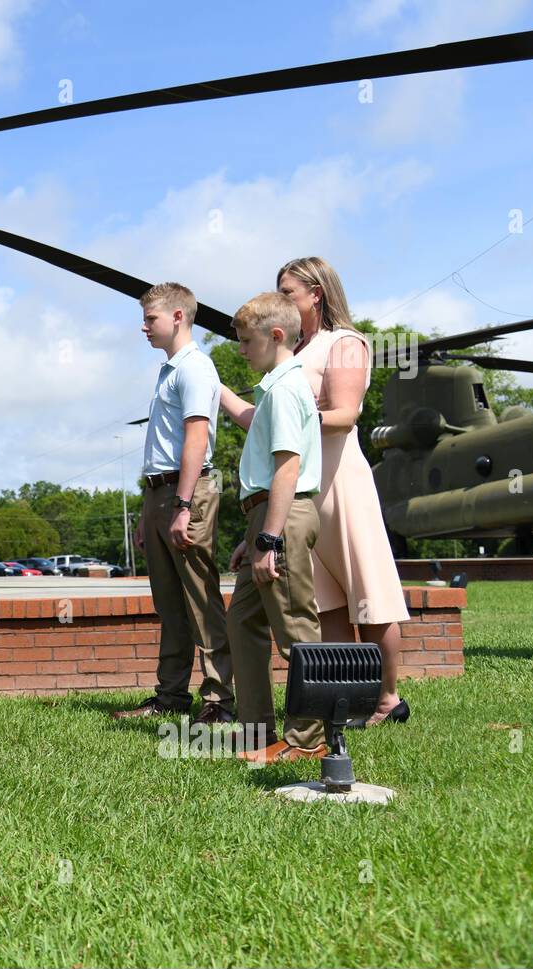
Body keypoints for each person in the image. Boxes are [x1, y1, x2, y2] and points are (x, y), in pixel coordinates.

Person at [220, 257, 410, 728]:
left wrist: (294, 422)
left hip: (338, 480)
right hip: (299, 489)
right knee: (326, 602)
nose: (282, 297)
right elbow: (265, 426)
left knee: (368, 590)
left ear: (316, 293)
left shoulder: (343, 344)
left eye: (289, 290)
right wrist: (218, 392)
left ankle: (388, 699)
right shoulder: (286, 354)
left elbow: (345, 414)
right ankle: (346, 699)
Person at [119, 282, 235, 725]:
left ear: (178, 318)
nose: (144, 326)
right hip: (160, 494)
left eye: (151, 319)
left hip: (185, 494)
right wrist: (147, 510)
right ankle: (170, 698)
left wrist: (183, 506)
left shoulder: (195, 369)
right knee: (170, 605)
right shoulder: (169, 370)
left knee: (201, 601)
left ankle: (219, 703)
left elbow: (197, 438)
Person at [223, 293, 327, 764]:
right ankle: (257, 731)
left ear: (276, 336)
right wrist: (255, 537)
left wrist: (268, 538)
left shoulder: (285, 390)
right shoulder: (273, 388)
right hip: (265, 519)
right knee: (243, 619)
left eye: (247, 341)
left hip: (280, 519)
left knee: (294, 629)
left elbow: (287, 467)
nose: (242, 350)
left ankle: (308, 740)